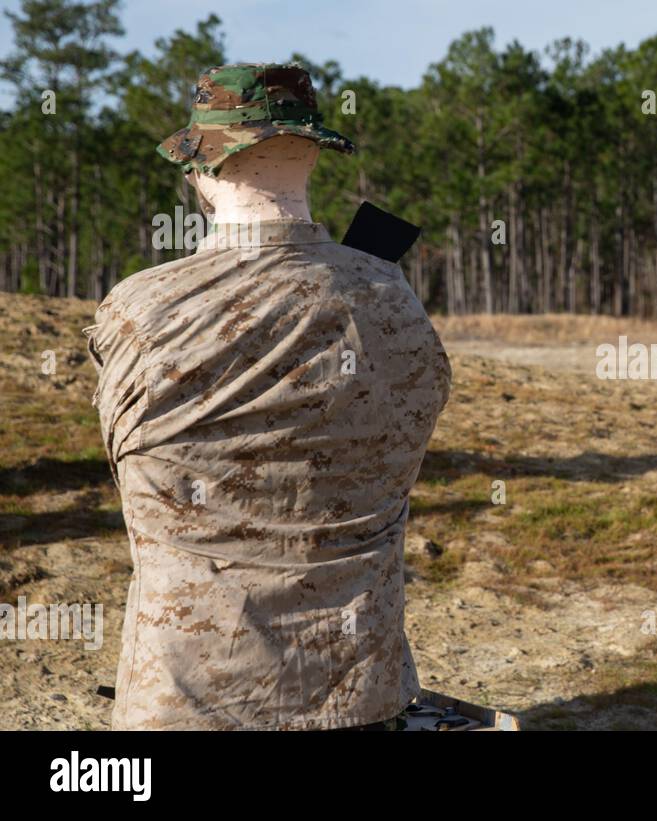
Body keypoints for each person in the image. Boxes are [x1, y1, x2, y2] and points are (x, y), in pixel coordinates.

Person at [85, 63, 451, 729]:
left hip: (187, 702)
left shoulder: (138, 312)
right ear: (312, 158)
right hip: (362, 696)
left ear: (200, 172)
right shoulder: (394, 299)